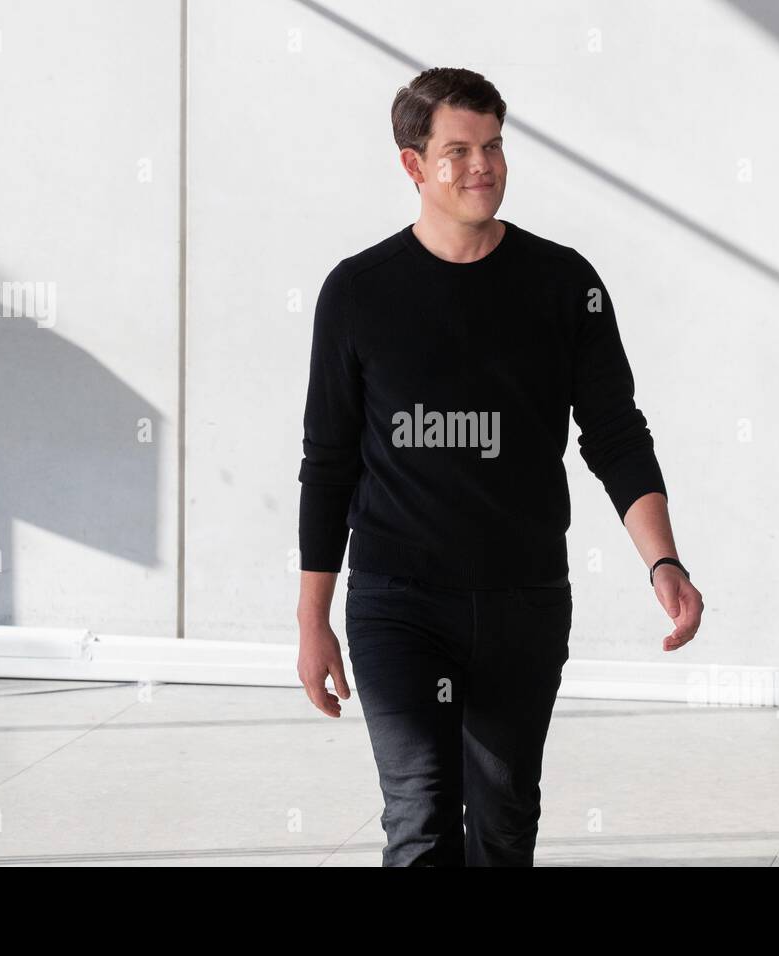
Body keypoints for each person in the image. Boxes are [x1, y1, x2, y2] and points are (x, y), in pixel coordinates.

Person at [295, 66, 704, 866]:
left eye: (492, 146)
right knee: (418, 820)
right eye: (457, 150)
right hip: (397, 601)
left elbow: (615, 432)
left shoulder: (564, 284)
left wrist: (663, 559)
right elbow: (328, 462)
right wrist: (313, 620)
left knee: (506, 825)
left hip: (523, 600)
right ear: (413, 165)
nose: (481, 165)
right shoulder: (357, 293)